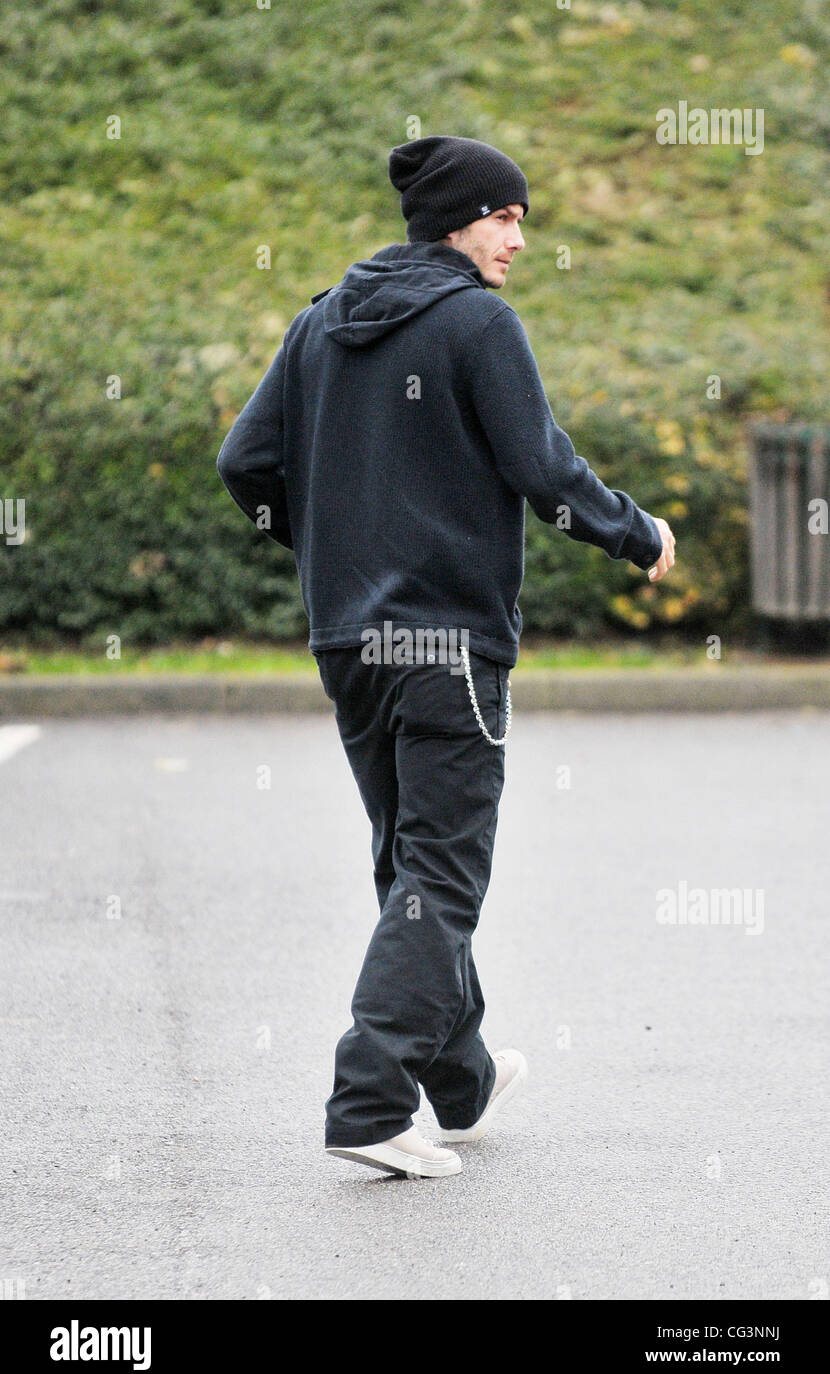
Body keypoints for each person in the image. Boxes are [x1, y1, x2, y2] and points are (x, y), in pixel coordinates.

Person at [216, 135, 676, 1180]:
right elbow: (541, 469)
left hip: (349, 640)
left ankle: (457, 1078)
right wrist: (633, 531)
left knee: (406, 861)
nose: (520, 236)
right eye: (505, 216)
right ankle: (369, 1099)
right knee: (438, 871)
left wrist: (328, 546)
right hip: (446, 646)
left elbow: (245, 462)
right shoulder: (476, 322)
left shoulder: (320, 321)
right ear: (458, 222)